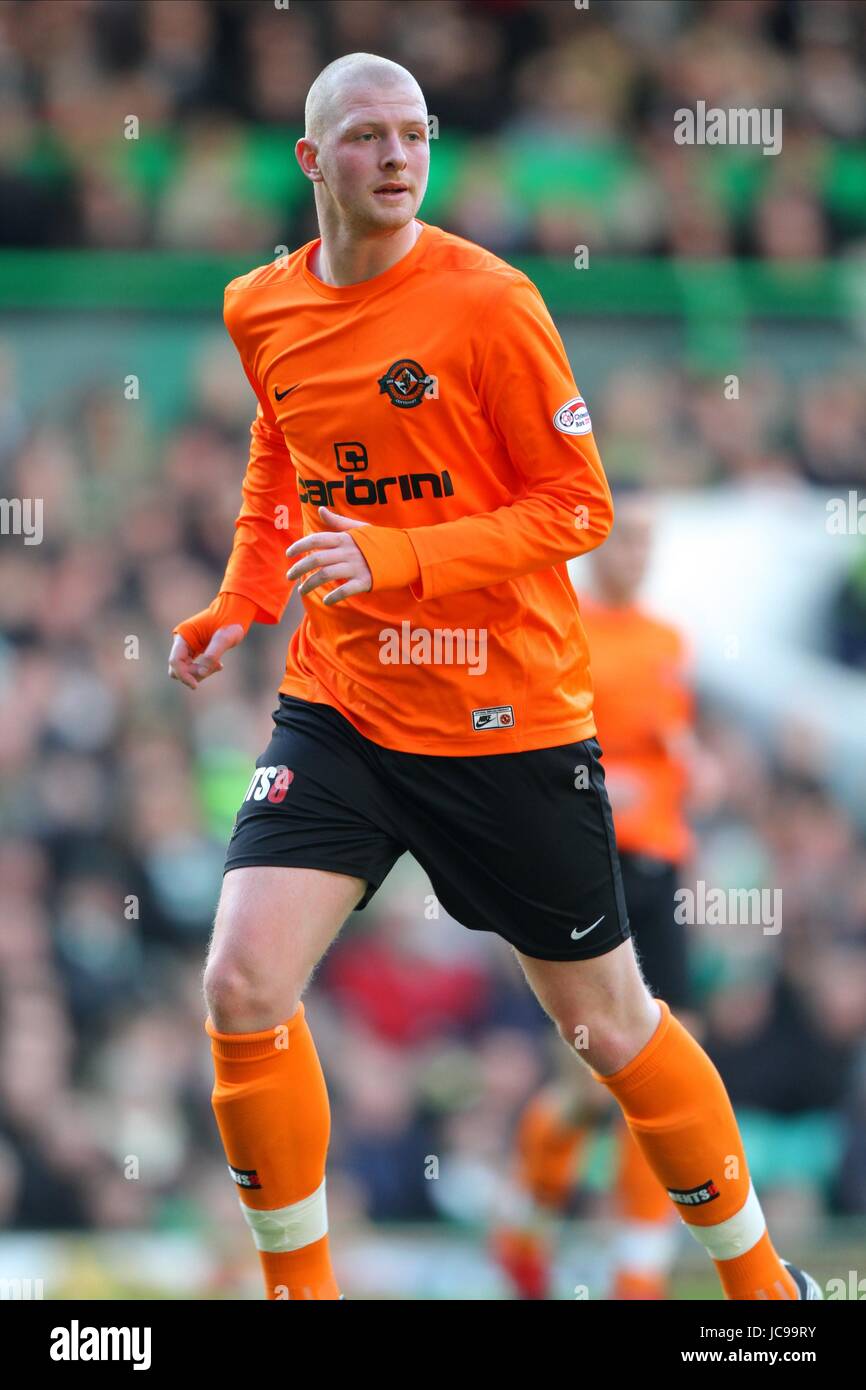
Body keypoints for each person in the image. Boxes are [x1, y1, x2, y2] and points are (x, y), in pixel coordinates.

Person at [168, 52, 819, 1302]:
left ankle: (758, 1289)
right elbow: (280, 454)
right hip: (342, 707)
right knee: (242, 980)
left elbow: (578, 506)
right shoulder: (260, 308)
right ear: (312, 162)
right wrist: (242, 599)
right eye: (366, 137)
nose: (399, 157)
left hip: (502, 717)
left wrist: (395, 555)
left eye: (414, 134)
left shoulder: (490, 300)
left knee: (611, 1028)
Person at [492, 492, 715, 1300]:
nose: (638, 556)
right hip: (590, 866)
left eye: (650, 541)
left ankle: (636, 1278)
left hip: (661, 868)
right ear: (596, 547)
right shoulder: (564, 629)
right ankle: (524, 1217)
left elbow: (677, 744)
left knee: (673, 1075)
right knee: (593, 1089)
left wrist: (695, 766)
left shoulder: (669, 643)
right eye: (627, 542)